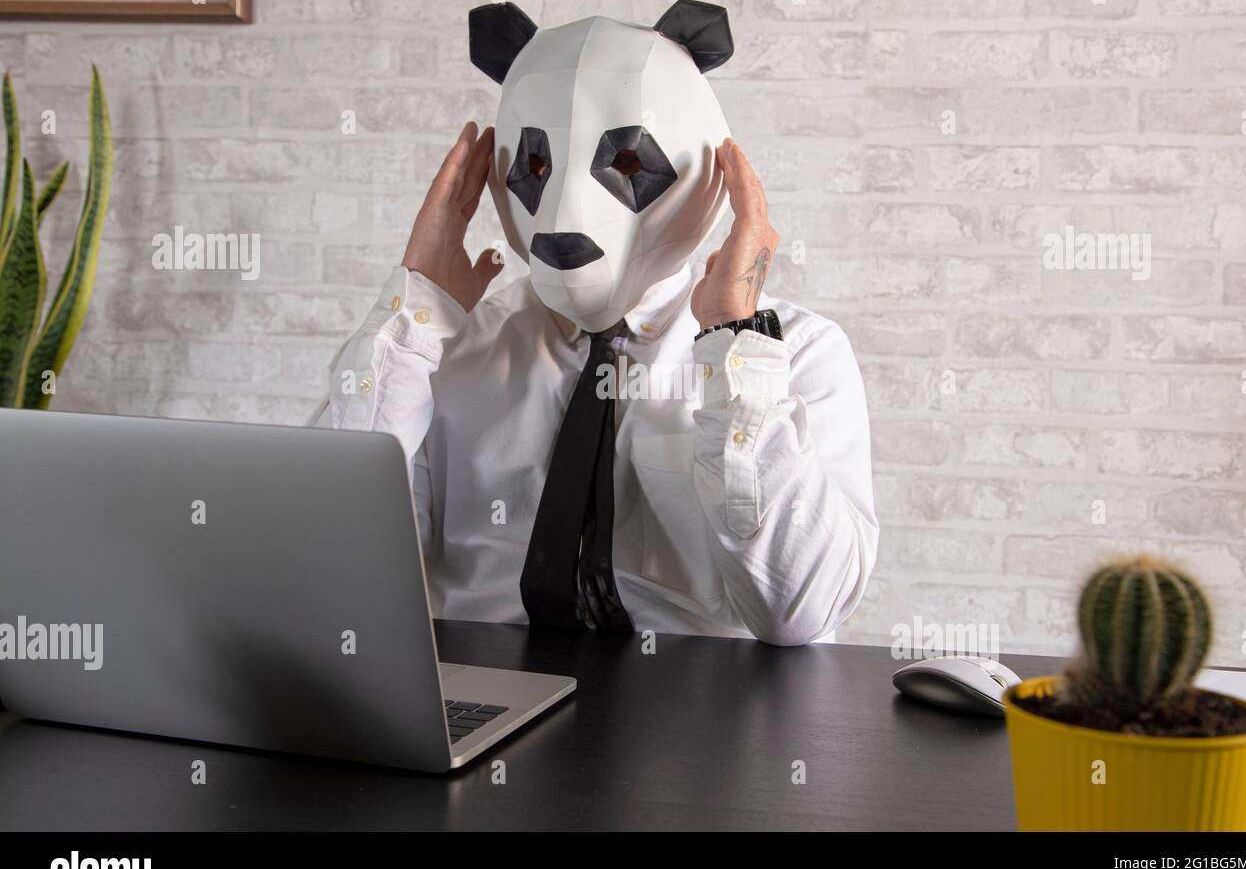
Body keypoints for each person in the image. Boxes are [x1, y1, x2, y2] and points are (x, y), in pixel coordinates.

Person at [312, 122, 878, 646]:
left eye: (626, 163)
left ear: (705, 181)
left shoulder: (792, 354)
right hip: (478, 709)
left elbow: (800, 612)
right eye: (538, 169)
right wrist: (413, 315)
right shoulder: (437, 351)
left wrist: (735, 338)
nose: (572, 204)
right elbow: (331, 580)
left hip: (707, 719)